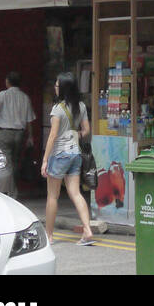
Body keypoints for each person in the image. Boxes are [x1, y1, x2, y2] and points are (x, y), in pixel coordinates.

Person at [41, 72, 93, 245]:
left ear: (63, 88)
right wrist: (75, 134)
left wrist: (45, 160)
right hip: (75, 155)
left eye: (57, 85)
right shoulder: (81, 106)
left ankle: (49, 235)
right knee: (76, 193)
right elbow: (86, 130)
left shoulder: (58, 109)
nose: (55, 88)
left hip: (59, 155)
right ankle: (87, 229)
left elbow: (52, 136)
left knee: (52, 197)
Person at [0, 71, 35, 198]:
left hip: (5, 133)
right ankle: (11, 190)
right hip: (20, 134)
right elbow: (29, 120)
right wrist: (30, 136)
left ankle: (11, 193)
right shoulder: (25, 97)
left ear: (8, 81)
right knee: (14, 162)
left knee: (5, 163)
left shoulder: (3, 95)